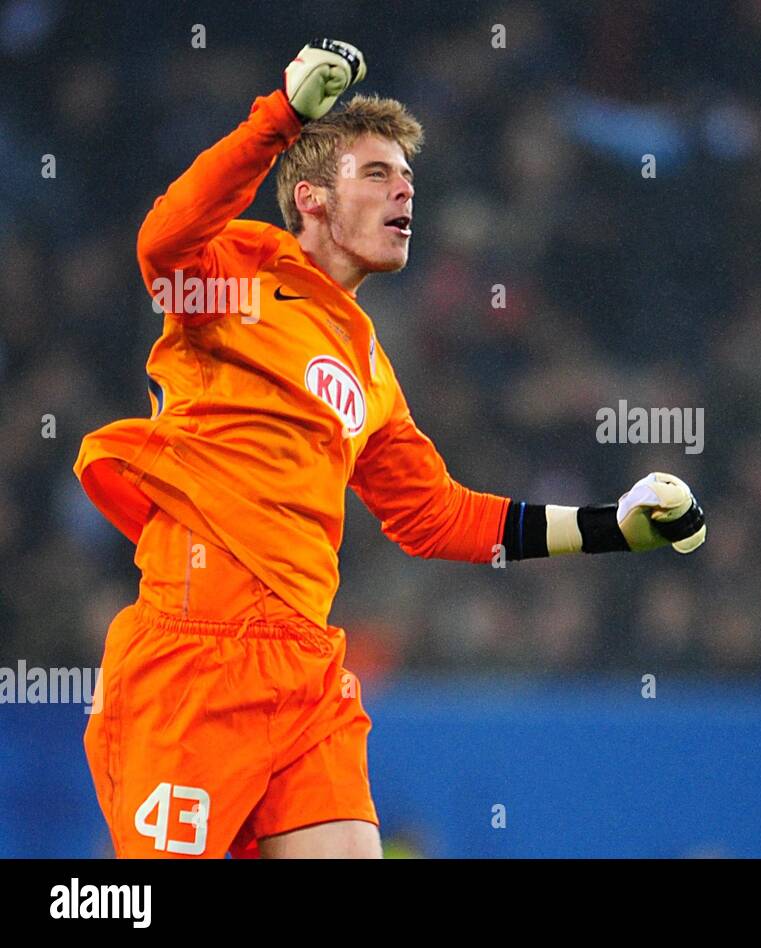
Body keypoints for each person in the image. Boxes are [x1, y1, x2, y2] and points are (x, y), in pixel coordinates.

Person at [73, 40, 706, 859]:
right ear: (310, 198)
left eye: (408, 177)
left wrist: (614, 526)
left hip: (304, 669)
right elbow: (162, 241)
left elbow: (436, 517)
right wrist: (286, 113)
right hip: (194, 655)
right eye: (377, 173)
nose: (405, 188)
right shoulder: (234, 275)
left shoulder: (370, 365)